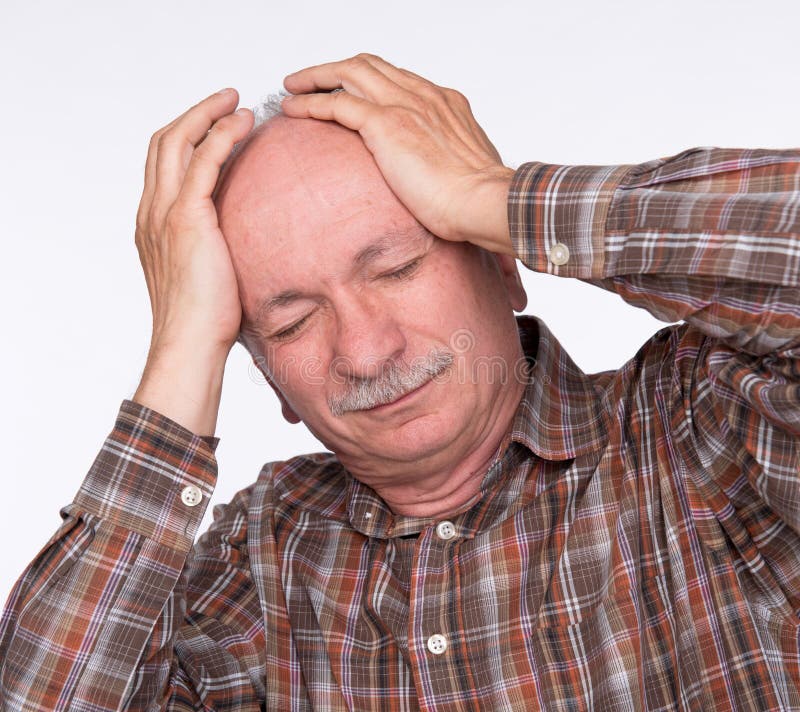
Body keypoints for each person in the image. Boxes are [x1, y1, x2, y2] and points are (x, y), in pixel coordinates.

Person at [1, 54, 798, 711]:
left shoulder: (707, 426)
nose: (367, 350)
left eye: (397, 267)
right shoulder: (261, 562)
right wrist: (181, 345)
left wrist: (497, 196)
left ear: (500, 264)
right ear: (270, 381)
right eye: (290, 325)